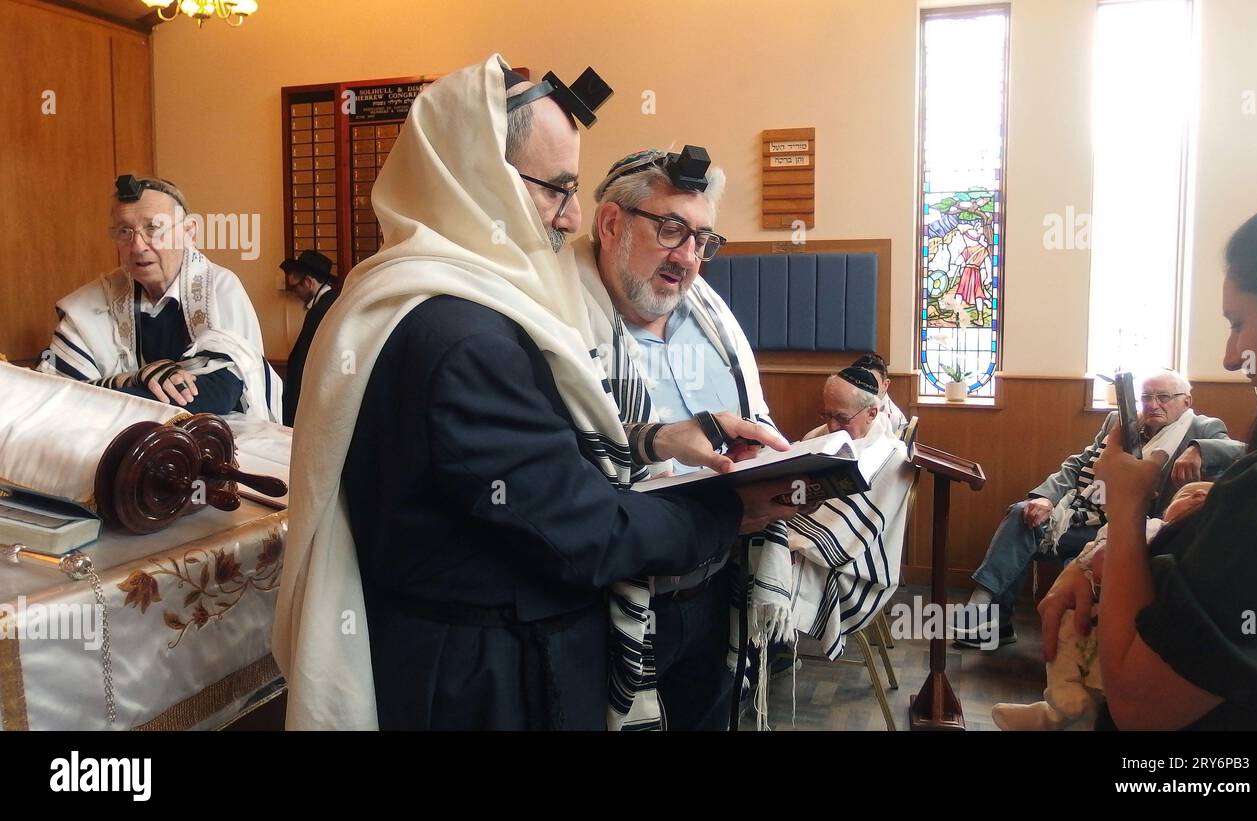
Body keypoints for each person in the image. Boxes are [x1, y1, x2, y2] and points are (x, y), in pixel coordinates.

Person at [272, 56, 795, 731]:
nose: (569, 216)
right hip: (489, 680)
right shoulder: (466, 338)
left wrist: (660, 439)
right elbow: (580, 527)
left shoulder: (396, 294)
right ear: (482, 180)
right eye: (557, 188)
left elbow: (543, 460)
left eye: (701, 238)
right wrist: (730, 512)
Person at [1040, 196, 1257, 730]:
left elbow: (1140, 708)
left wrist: (1128, 510)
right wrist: (1092, 562)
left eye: (1237, 321)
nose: (1231, 356)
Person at [577, 145, 796, 729]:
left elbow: (754, 419)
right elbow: (569, 456)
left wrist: (779, 469)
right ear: (610, 223)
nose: (690, 258)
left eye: (703, 240)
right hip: (612, 605)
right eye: (673, 229)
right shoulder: (562, 323)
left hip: (715, 589)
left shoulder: (712, 319)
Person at [957, 370, 1232, 647]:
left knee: (1034, 533)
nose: (1153, 404)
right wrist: (1047, 498)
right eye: (1147, 397)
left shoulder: (1203, 428)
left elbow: (1241, 450)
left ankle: (992, 618)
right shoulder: (1121, 422)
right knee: (1024, 514)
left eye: (1163, 397)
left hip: (1133, 529)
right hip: (1082, 513)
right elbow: (1079, 463)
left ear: (1186, 401)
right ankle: (988, 613)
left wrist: (1199, 449)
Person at [38, 175, 281, 420]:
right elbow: (57, 393)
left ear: (188, 232)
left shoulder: (219, 288)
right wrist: (131, 380)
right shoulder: (92, 302)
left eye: (153, 228)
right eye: (125, 231)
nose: (137, 246)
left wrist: (116, 391)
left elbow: (221, 391)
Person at [991, 481, 1211, 730]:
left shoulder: (1199, 550)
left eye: (1207, 497)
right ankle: (1058, 701)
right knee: (1067, 633)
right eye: (1188, 494)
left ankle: (1062, 718)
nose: (1199, 495)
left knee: (1104, 679)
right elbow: (1104, 540)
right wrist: (1089, 560)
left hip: (1134, 619)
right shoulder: (1149, 525)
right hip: (1094, 597)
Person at [785, 363, 912, 661]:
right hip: (804, 539)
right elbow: (796, 486)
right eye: (826, 415)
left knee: (758, 566)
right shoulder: (822, 433)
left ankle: (765, 648)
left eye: (841, 418)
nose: (830, 426)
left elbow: (852, 529)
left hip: (848, 567)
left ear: (872, 413)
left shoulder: (891, 458)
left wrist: (794, 541)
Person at [280, 249, 339, 426]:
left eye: (296, 287)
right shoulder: (336, 302)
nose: (295, 293)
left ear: (308, 282)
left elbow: (305, 360)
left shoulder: (320, 311)